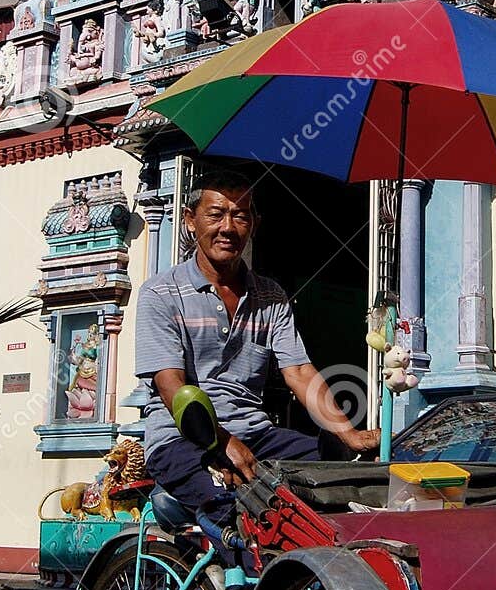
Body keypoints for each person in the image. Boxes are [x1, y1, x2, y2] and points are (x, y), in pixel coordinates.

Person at [135, 168, 378, 527]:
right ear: (190, 220)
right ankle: (238, 581)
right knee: (240, 513)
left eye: (241, 215)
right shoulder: (160, 293)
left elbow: (298, 371)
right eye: (216, 214)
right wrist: (219, 442)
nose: (228, 227)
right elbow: (171, 384)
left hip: (258, 434)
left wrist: (349, 435)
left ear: (255, 223)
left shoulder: (270, 296)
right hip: (181, 440)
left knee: (338, 477)